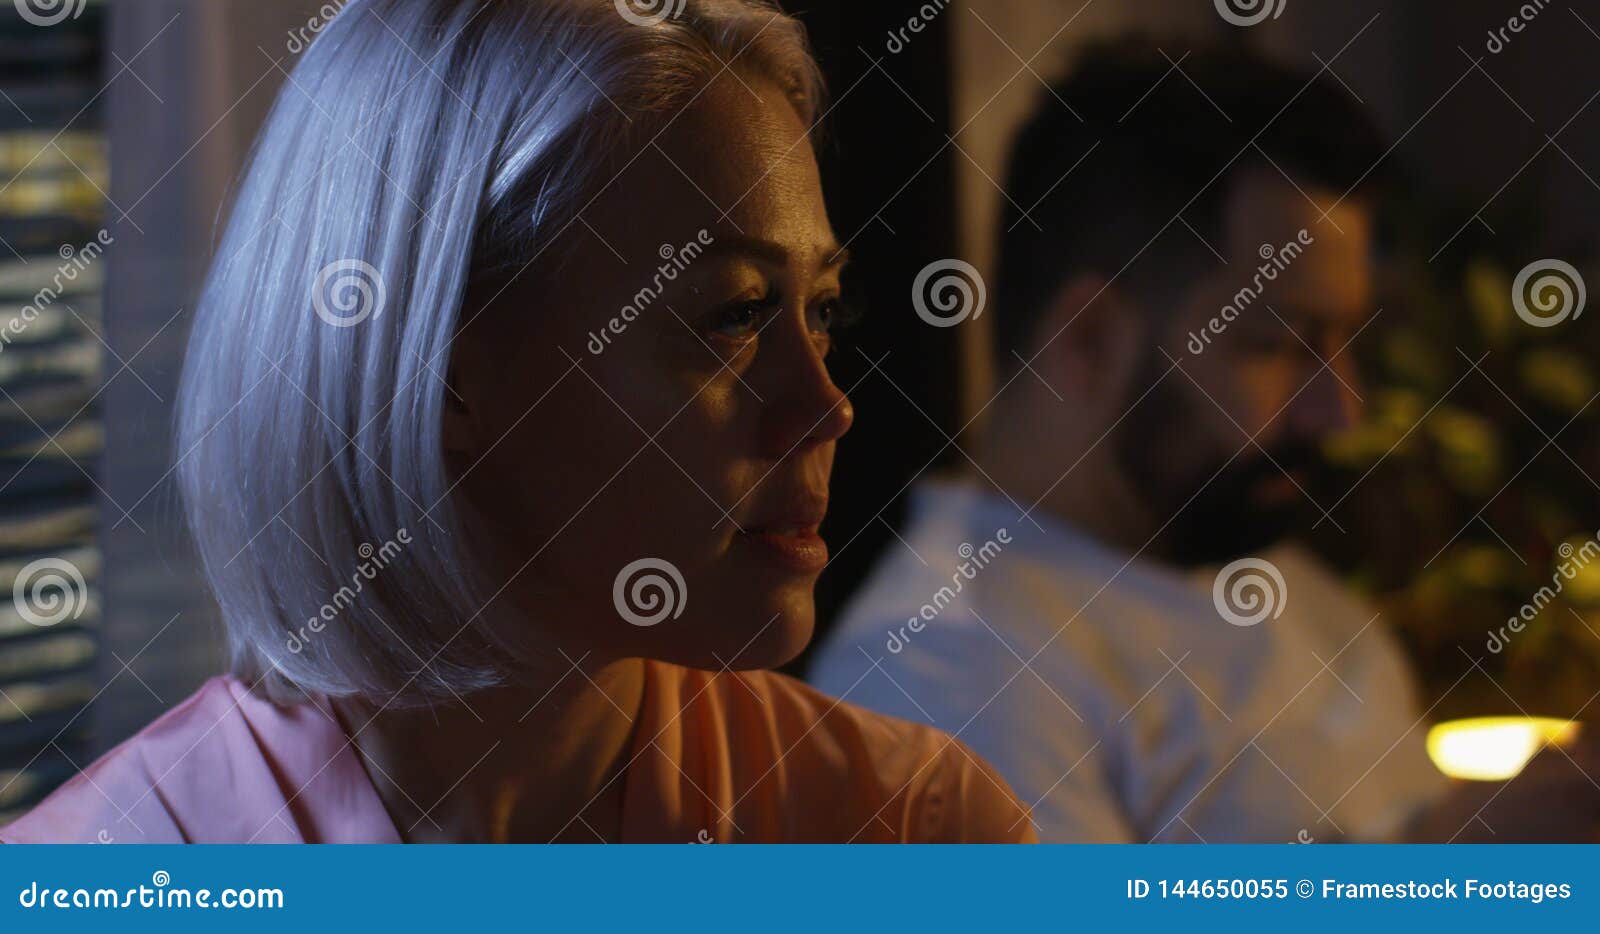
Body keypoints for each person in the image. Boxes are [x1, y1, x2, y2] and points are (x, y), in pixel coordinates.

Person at [0, 0, 1032, 844]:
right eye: (735, 316)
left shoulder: (915, 831)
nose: (826, 405)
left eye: (819, 312)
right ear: (443, 375)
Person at [811, 39, 1583, 843]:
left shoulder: (1296, 591)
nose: (1341, 412)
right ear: (1089, 338)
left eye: (1348, 339)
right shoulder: (940, 668)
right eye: (1280, 343)